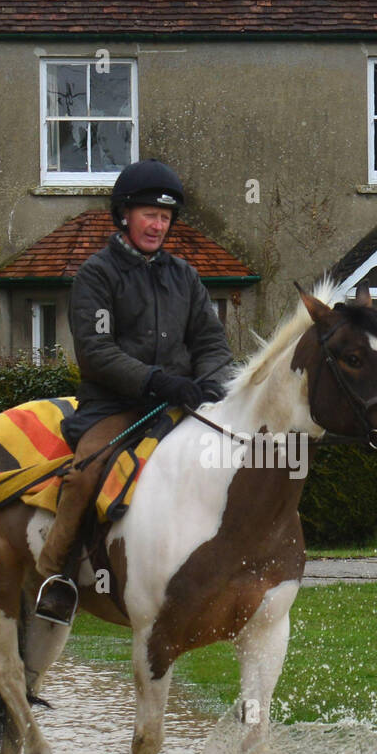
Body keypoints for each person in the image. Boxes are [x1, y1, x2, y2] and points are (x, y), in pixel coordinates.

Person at [34, 159, 234, 623]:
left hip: (183, 404)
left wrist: (210, 384)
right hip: (116, 407)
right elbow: (96, 351)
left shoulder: (185, 276)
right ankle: (54, 576)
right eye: (149, 215)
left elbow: (211, 343)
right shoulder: (96, 275)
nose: (158, 225)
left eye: (165, 218)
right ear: (125, 214)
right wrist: (154, 380)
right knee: (87, 473)